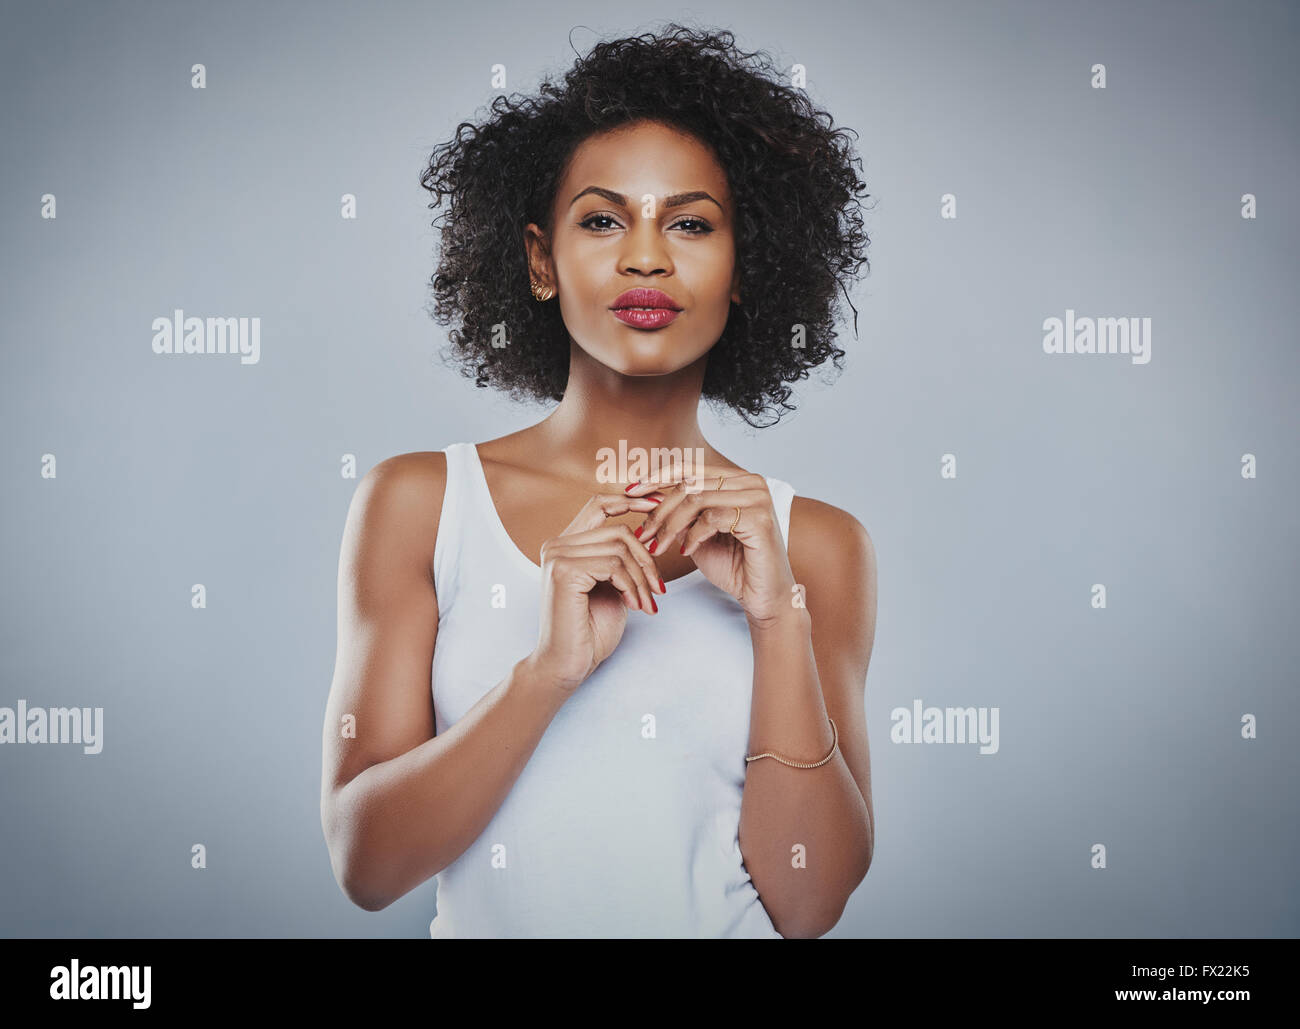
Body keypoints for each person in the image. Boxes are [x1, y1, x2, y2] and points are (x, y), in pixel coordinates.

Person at [320, 23, 878, 938]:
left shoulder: (817, 544)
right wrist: (547, 673)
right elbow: (367, 864)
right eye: (603, 219)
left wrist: (780, 620)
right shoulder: (419, 504)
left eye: (691, 223)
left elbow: (810, 902)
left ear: (745, 269)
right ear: (541, 260)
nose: (646, 257)